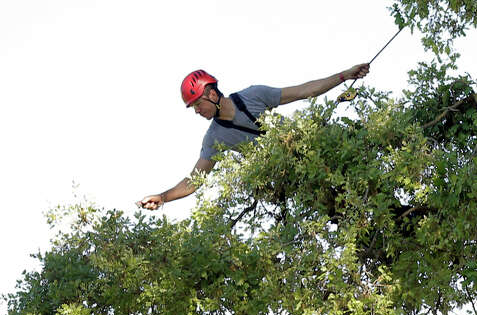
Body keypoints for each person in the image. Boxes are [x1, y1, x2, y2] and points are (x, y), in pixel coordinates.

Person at [136, 63, 370, 210]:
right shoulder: (214, 139)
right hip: (298, 183)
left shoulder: (254, 95)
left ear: (210, 93)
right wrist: (163, 197)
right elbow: (193, 182)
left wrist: (345, 76)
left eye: (197, 104)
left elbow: (305, 91)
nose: (197, 111)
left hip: (316, 154)